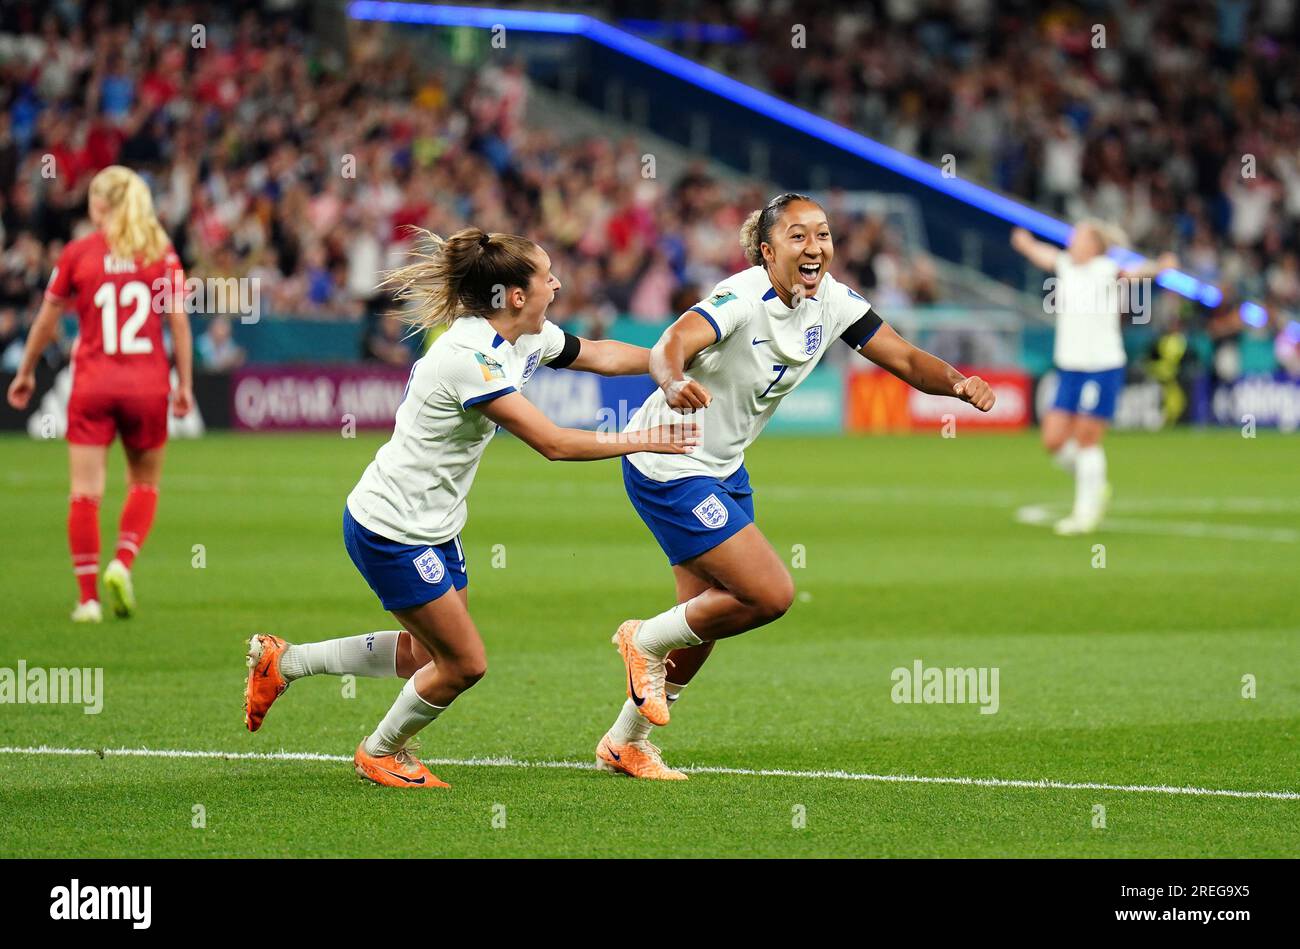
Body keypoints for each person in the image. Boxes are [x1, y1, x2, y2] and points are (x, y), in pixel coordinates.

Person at [243, 227, 697, 789]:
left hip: (437, 524)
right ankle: (381, 751)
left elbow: (600, 355)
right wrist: (642, 439)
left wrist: (674, 360)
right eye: (546, 276)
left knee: (419, 654)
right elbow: (552, 443)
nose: (556, 283)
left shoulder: (525, 337)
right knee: (463, 664)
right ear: (512, 295)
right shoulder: (468, 357)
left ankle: (283, 664)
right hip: (392, 527)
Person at [595, 193, 996, 779]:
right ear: (767, 250)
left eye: (823, 235)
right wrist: (673, 378)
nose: (815, 247)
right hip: (669, 461)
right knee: (768, 594)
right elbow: (672, 342)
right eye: (798, 236)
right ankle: (643, 640)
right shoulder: (740, 298)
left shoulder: (832, 301)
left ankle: (624, 743)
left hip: (723, 465)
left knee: (704, 615)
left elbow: (906, 360)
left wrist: (958, 384)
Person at [6, 165, 193, 622]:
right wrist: (184, 383)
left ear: (98, 205)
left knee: (85, 493)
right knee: (144, 484)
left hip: (92, 384)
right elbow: (179, 325)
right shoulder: (161, 254)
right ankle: (121, 562)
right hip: (147, 384)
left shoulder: (77, 253)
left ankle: (87, 600)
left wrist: (26, 371)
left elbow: (46, 321)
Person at [1011, 222, 1176, 534]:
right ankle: (1095, 482)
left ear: (1094, 246)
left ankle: (1085, 513)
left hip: (1102, 365)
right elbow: (1045, 255)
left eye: (1079, 237)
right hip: (1069, 367)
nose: (1072, 241)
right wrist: (1026, 244)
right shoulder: (1066, 266)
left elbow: (1137, 272)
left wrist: (1161, 267)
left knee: (1087, 438)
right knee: (1054, 441)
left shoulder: (1106, 268)